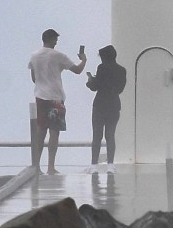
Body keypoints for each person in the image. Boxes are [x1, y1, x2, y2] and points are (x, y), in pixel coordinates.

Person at [27, 29, 86, 174]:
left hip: (40, 96)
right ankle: (51, 167)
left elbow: (34, 78)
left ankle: (36, 166)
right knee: (54, 132)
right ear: (52, 39)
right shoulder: (58, 55)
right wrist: (84, 59)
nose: (56, 42)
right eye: (56, 40)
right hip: (55, 97)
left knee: (41, 131)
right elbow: (78, 70)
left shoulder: (34, 56)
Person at [86, 45, 126, 169]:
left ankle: (94, 164)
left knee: (97, 135)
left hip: (100, 104)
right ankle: (110, 164)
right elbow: (120, 88)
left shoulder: (102, 68)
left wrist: (90, 81)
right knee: (110, 135)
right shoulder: (122, 70)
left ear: (104, 57)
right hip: (114, 104)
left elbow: (96, 86)